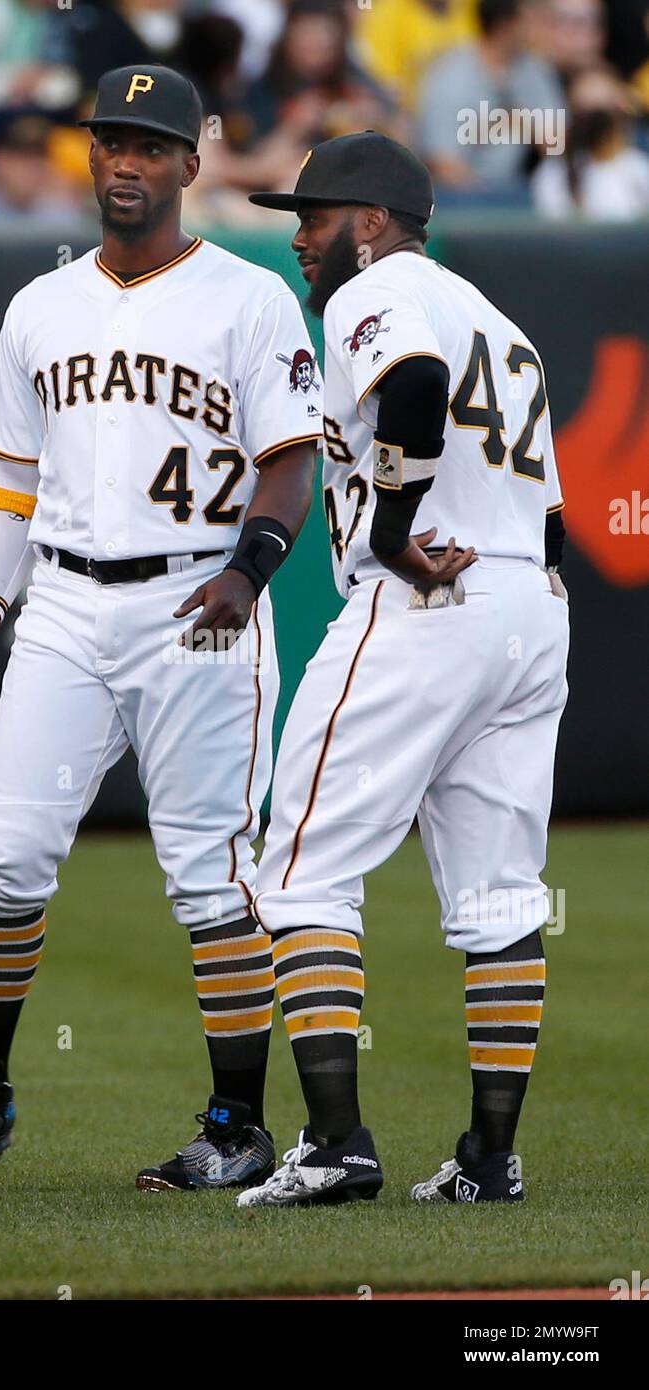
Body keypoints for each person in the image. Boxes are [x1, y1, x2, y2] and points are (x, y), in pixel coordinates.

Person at [0, 65, 320, 1195]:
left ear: (193, 163)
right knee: (3, 858)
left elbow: (291, 459)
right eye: (108, 141)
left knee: (208, 875)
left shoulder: (248, 295)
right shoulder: (38, 307)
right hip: (67, 605)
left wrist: (251, 570)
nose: (125, 162)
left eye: (149, 145)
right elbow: (12, 484)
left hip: (197, 598)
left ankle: (237, 1123)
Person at [238, 131, 569, 1207]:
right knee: (497, 892)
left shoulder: (370, 294)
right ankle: (488, 1156)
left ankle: (334, 1144)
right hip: (528, 601)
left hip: (427, 595)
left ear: (371, 224)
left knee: (299, 862)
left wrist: (387, 530)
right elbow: (552, 516)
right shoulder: (506, 325)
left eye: (314, 215)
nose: (298, 237)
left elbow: (413, 382)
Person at [415, 0, 564, 197]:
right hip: (462, 197)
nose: (540, 26)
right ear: (505, 26)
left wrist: (523, 122)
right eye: (531, 19)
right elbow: (443, 164)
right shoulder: (451, 75)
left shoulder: (534, 71)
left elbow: (560, 149)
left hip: (525, 189)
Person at [532, 65, 649, 218]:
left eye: (602, 114)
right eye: (586, 114)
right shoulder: (555, 172)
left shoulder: (639, 168)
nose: (595, 127)